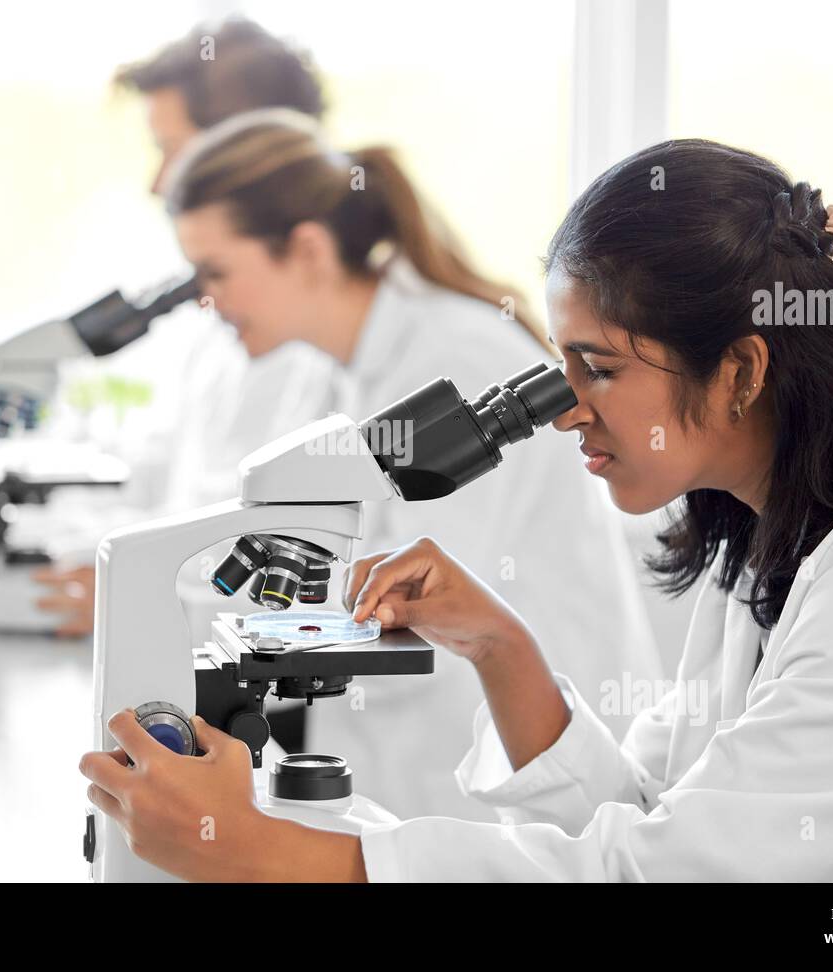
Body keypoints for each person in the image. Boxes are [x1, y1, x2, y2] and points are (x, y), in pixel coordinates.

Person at [79, 138, 833, 881]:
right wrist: (502, 649)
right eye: (561, 368)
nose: (565, 406)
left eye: (598, 368)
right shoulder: (769, 539)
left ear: (743, 370)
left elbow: (675, 875)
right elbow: (658, 813)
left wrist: (286, 863)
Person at [132, 109, 659, 821]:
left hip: (534, 772)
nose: (204, 299)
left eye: (216, 271)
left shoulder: (457, 355)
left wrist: (196, 600)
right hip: (417, 758)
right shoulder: (336, 370)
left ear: (308, 250)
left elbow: (409, 597)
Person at [0, 17, 335, 634]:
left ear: (251, 154)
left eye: (169, 150)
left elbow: (286, 582)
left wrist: (149, 608)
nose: (158, 184)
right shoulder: (217, 330)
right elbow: (151, 493)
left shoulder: (309, 351)